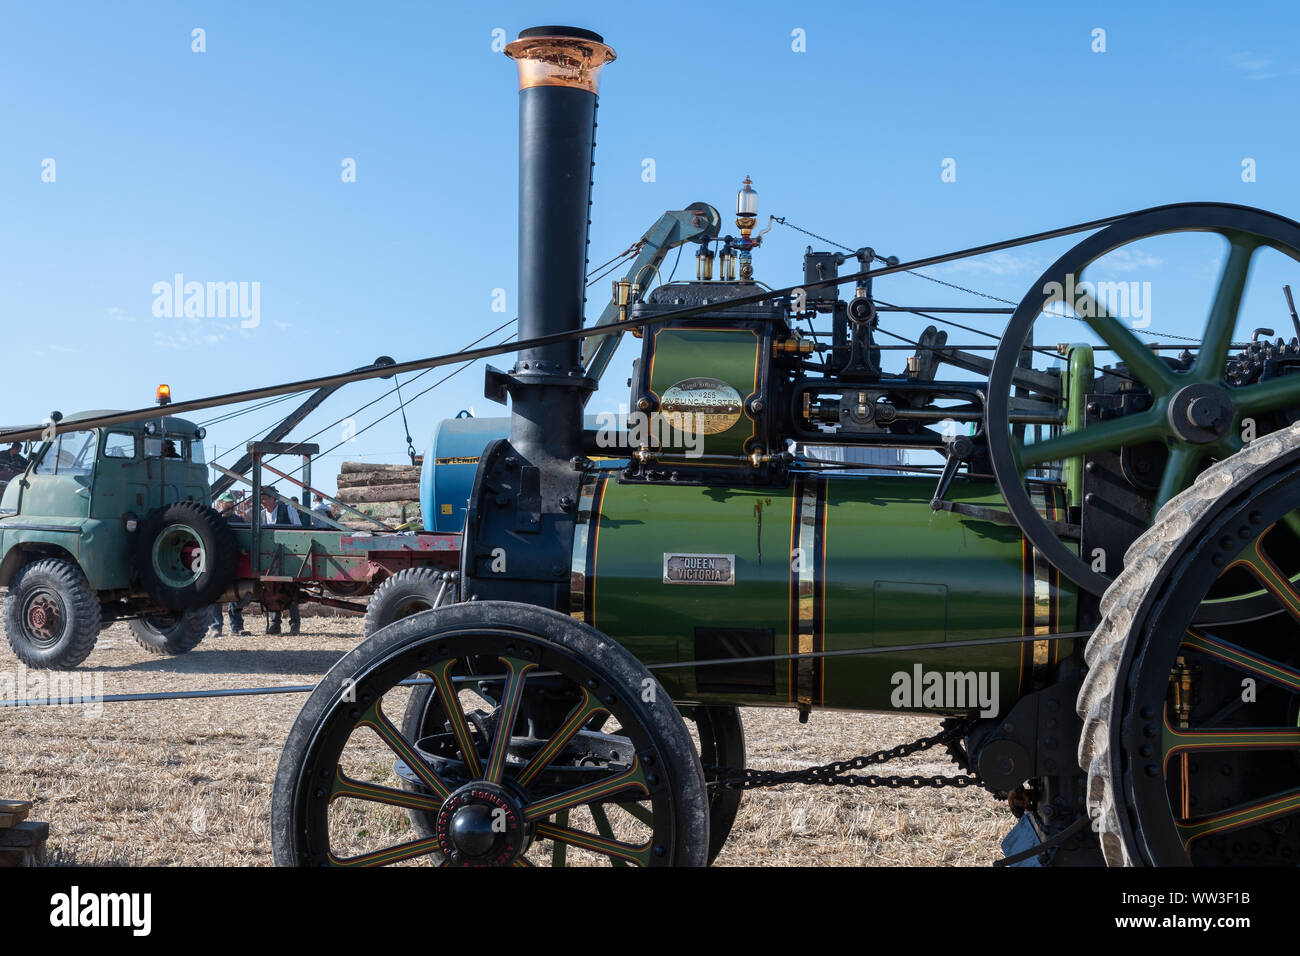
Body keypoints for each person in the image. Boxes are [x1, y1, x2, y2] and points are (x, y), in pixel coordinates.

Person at [259, 485, 301, 635]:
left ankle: (295, 624)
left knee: (291, 589)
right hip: (269, 558)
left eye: (265, 498)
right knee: (271, 590)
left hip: (289, 556)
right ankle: (275, 624)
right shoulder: (262, 515)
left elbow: (298, 530)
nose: (262, 501)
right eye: (261, 498)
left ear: (273, 498)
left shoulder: (288, 510)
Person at [209, 493, 250, 637]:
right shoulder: (211, 519)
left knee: (235, 596)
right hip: (216, 563)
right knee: (215, 596)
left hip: (233, 562)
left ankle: (237, 627)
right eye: (227, 504)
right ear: (220, 503)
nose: (231, 506)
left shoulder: (238, 520)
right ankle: (216, 627)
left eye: (232, 503)